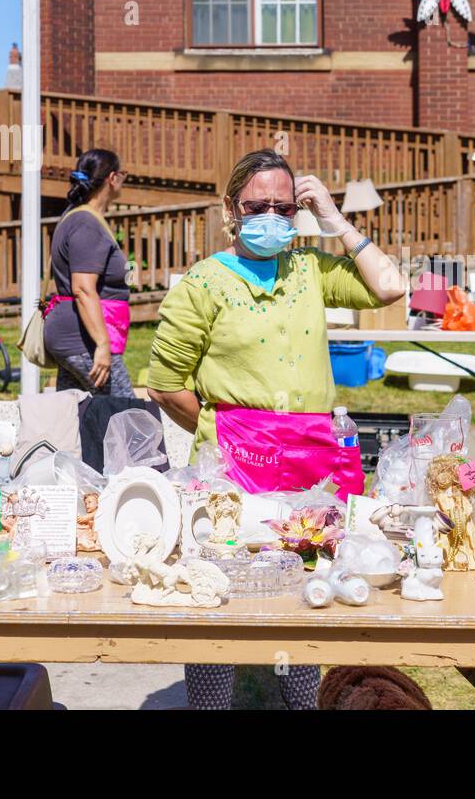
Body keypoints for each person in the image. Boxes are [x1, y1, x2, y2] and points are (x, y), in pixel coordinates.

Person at [147, 149, 403, 710]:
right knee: (222, 592)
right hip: (233, 465)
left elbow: (389, 287)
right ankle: (213, 706)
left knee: (307, 582)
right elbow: (165, 383)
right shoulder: (204, 283)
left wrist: (334, 220)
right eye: (257, 205)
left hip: (312, 460)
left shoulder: (308, 268)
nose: (270, 217)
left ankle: (302, 703)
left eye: (283, 208)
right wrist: (227, 429)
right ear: (231, 209)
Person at [43, 149, 135, 396]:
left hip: (74, 336)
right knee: (127, 417)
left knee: (79, 418)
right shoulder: (87, 224)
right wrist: (102, 345)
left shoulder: (78, 217)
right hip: (83, 338)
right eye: (123, 174)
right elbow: (83, 288)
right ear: (112, 178)